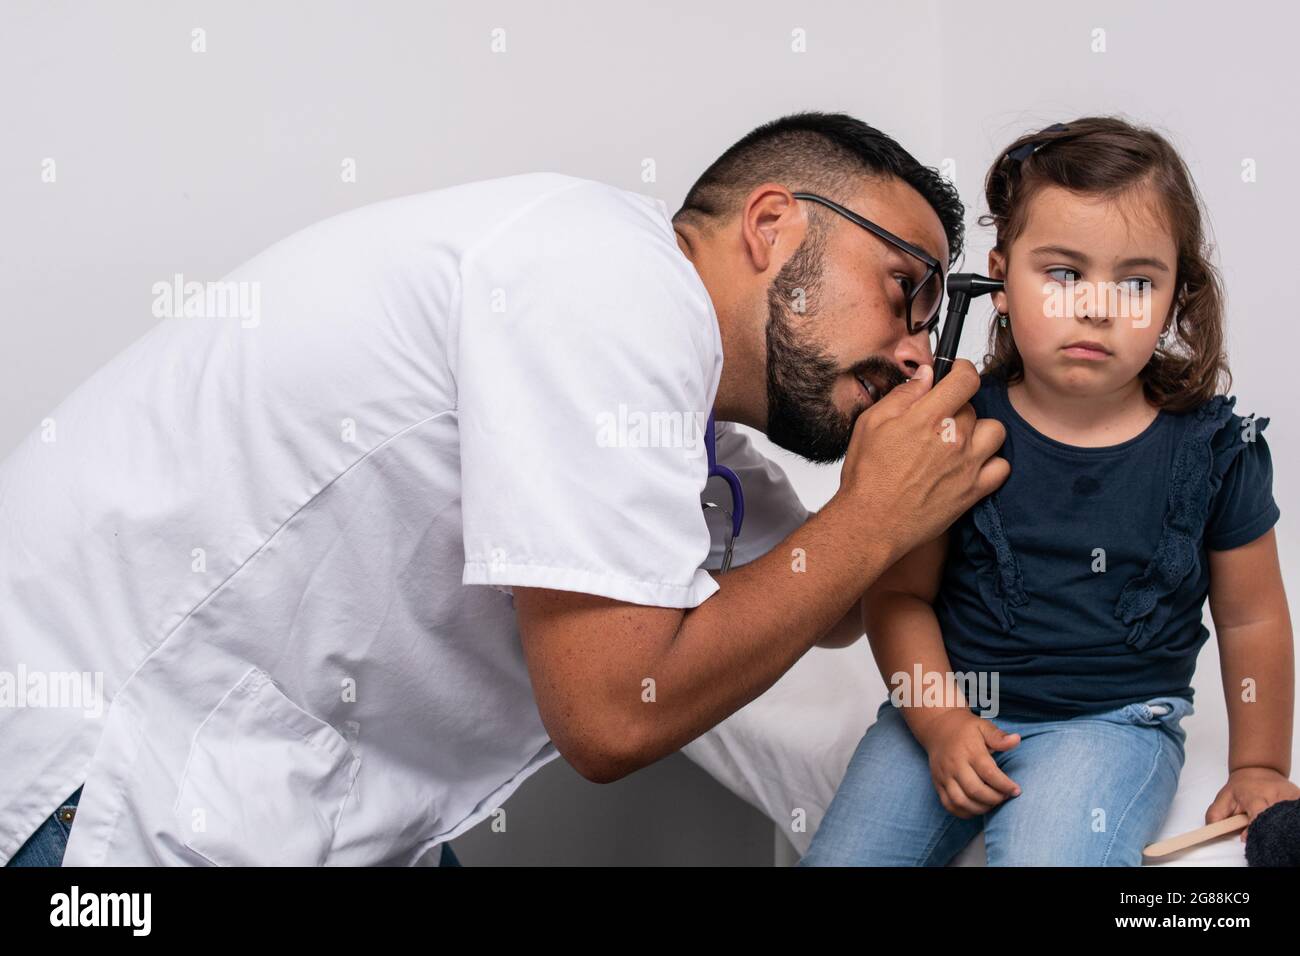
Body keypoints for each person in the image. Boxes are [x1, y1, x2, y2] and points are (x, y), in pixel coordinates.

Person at [1, 112, 1005, 866]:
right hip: (107, 779)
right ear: (774, 224)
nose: (918, 350)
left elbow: (821, 599)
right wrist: (872, 518)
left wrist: (899, 507)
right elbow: (614, 714)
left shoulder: (671, 411)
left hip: (281, 793)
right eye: (906, 288)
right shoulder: (605, 283)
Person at [801, 117, 1298, 867]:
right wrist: (939, 724)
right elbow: (898, 598)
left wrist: (1258, 765)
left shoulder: (1216, 450)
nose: (1097, 307)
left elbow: (1253, 615)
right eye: (1063, 273)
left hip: (1112, 723)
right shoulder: (953, 429)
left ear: (1173, 297)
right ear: (1002, 281)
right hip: (945, 706)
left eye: (1136, 282)